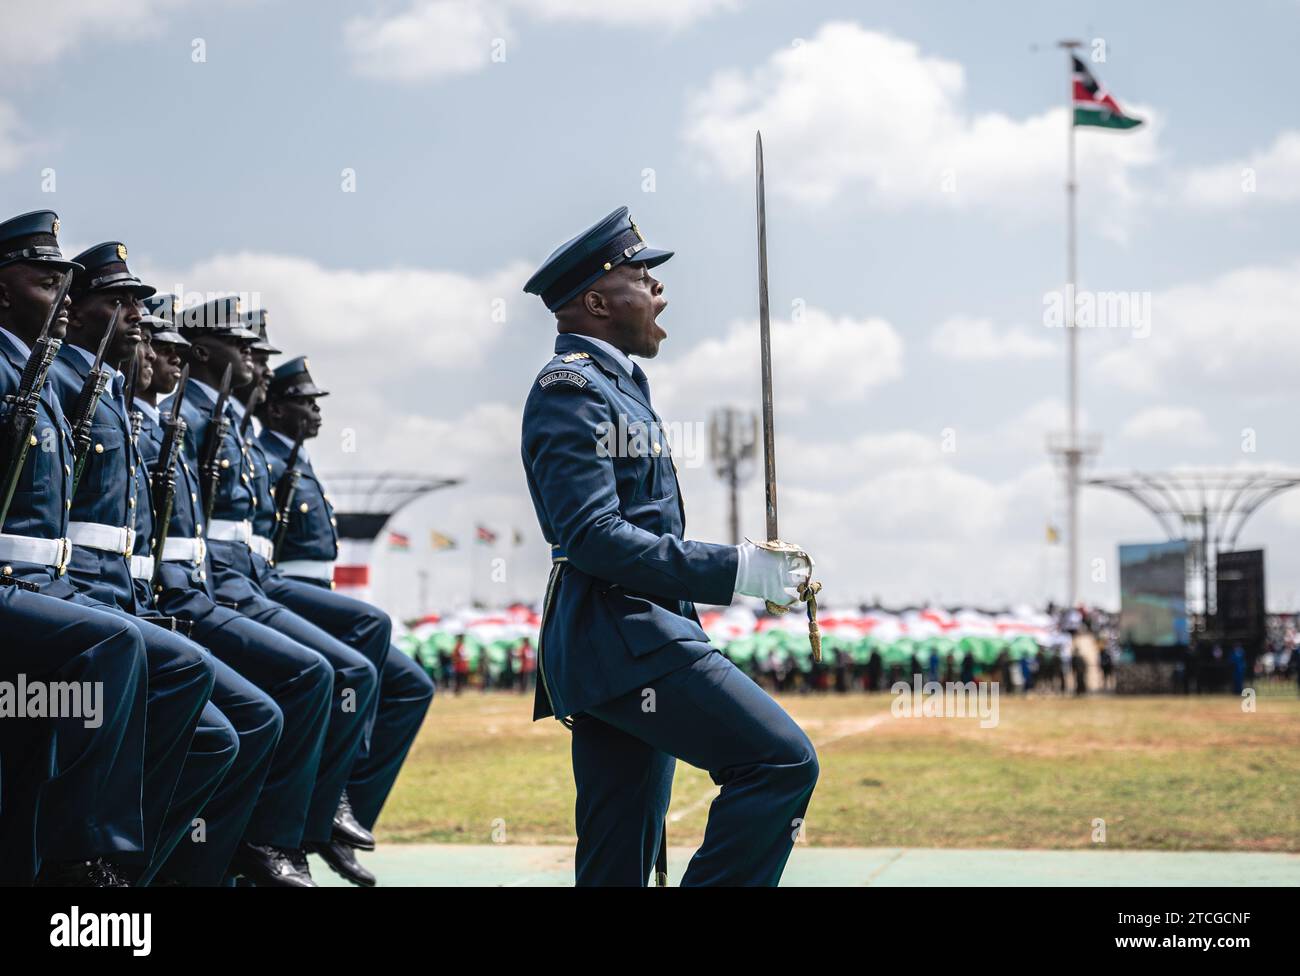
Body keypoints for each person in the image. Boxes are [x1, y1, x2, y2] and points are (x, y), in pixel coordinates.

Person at [520, 207, 819, 886]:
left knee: (617, 853)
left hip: (624, 642)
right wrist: (743, 570)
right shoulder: (570, 389)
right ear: (596, 302)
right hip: (622, 637)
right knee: (779, 762)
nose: (659, 291)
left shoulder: (617, 386)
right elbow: (593, 536)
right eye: (642, 275)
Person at [50, 242, 228, 885]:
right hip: (70, 592)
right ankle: (87, 865)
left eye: (138, 302)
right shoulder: (58, 381)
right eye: (117, 300)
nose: (134, 315)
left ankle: (133, 871)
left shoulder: (107, 391)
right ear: (75, 308)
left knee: (223, 735)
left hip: (127, 592)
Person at [146, 295, 334, 887]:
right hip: (195, 588)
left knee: (334, 670)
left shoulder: (216, 419)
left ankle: (291, 829)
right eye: (244, 349)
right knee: (299, 684)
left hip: (213, 581)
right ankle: (264, 842)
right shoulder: (192, 416)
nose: (255, 364)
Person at [0, 210, 150, 886]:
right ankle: (79, 858)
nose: (63, 298)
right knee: (119, 648)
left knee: (191, 697)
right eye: (45, 283)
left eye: (67, 283)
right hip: (19, 587)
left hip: (60, 586)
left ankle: (142, 865)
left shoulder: (44, 372)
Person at [252, 348, 434, 885]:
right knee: (359, 657)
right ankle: (321, 810)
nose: (317, 411)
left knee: (412, 687)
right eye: (305, 402)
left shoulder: (296, 461)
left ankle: (338, 813)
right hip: (285, 597)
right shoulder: (262, 456)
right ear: (277, 409)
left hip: (320, 599)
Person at [132, 302, 285, 886]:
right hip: (174, 595)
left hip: (192, 588)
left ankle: (246, 851)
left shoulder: (204, 419)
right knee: (285, 693)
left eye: (172, 346)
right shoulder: (181, 416)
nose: (165, 355)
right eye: (159, 344)